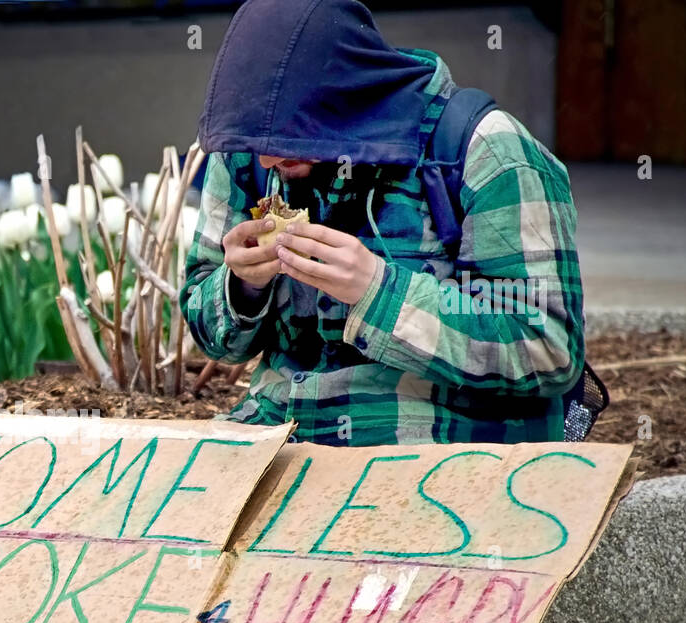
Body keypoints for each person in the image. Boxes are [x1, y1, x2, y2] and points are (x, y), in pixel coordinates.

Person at [181, 0, 584, 445]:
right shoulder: (248, 149)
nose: (267, 158)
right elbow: (215, 341)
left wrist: (377, 292)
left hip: (436, 456)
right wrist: (241, 285)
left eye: (286, 140)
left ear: (345, 101)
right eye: (257, 144)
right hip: (277, 438)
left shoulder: (487, 151)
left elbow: (550, 350)